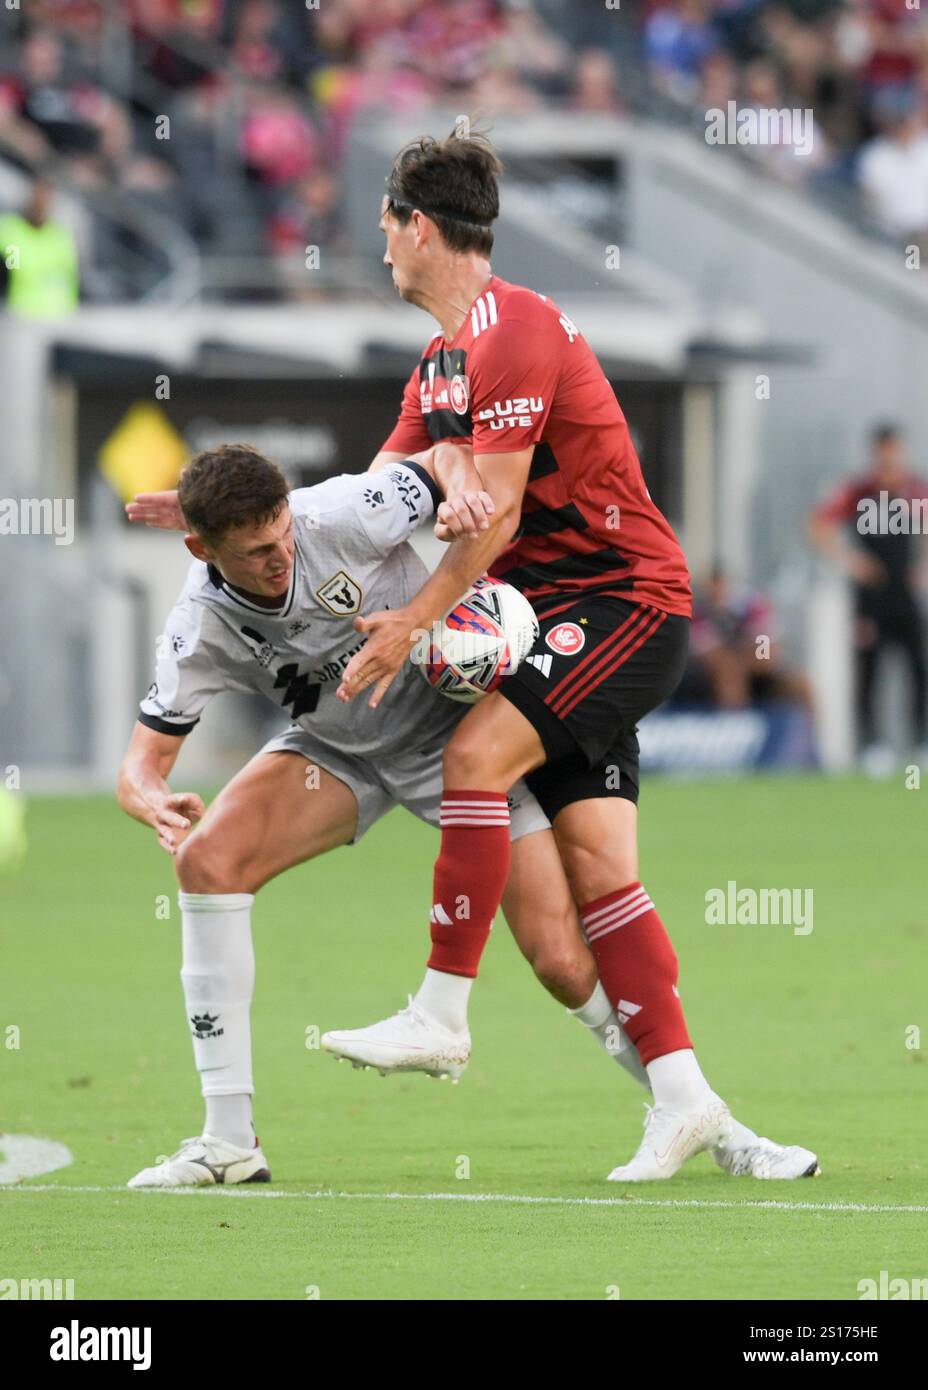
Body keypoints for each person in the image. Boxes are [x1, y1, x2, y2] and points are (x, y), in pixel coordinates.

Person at [120, 442, 815, 1186]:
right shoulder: (197, 627)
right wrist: (150, 798)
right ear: (201, 549)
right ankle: (229, 1142)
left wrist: (459, 496)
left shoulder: (342, 512)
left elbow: (446, 455)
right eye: (255, 552)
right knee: (206, 862)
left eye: (282, 533)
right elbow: (141, 764)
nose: (280, 557)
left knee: (560, 958)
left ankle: (709, 1118)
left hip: (456, 745)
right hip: (338, 752)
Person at [331, 126, 818, 1181]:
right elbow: (367, 503)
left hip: (622, 601)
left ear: (422, 228)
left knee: (473, 759)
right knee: (567, 934)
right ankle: (698, 1113)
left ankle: (439, 1014)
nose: (381, 240)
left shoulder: (515, 330)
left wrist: (416, 619)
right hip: (543, 623)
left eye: (388, 222)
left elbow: (498, 517)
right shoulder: (439, 363)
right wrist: (242, 519)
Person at [808, 423, 928, 775]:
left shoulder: (913, 489)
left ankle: (920, 741)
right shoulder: (859, 491)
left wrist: (922, 566)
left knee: (917, 668)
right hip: (870, 599)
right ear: (875, 452)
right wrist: (852, 561)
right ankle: (873, 746)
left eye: (895, 450)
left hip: (905, 596)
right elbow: (818, 524)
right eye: (884, 450)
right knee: (870, 671)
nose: (889, 457)